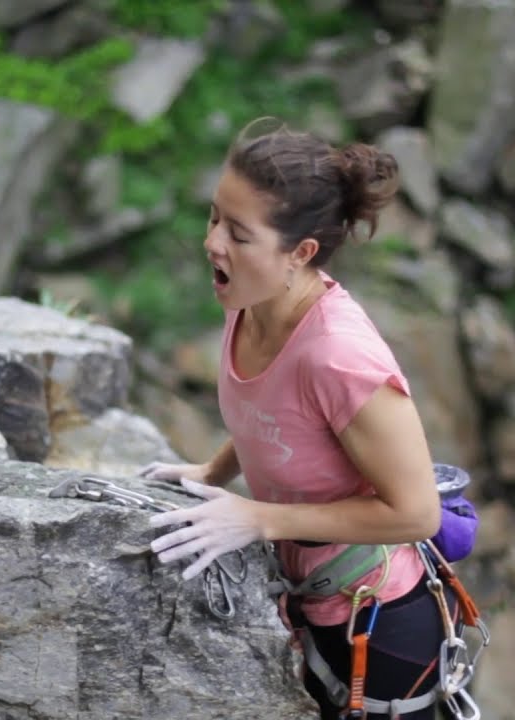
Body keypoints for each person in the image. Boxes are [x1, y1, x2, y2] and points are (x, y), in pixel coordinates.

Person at [139, 118, 474, 720]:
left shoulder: (340, 356)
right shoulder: (251, 300)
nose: (213, 243)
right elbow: (271, 409)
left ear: (300, 253)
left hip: (381, 624)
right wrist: (213, 471)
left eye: (239, 235)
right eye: (215, 217)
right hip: (310, 600)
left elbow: (417, 511)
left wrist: (258, 517)